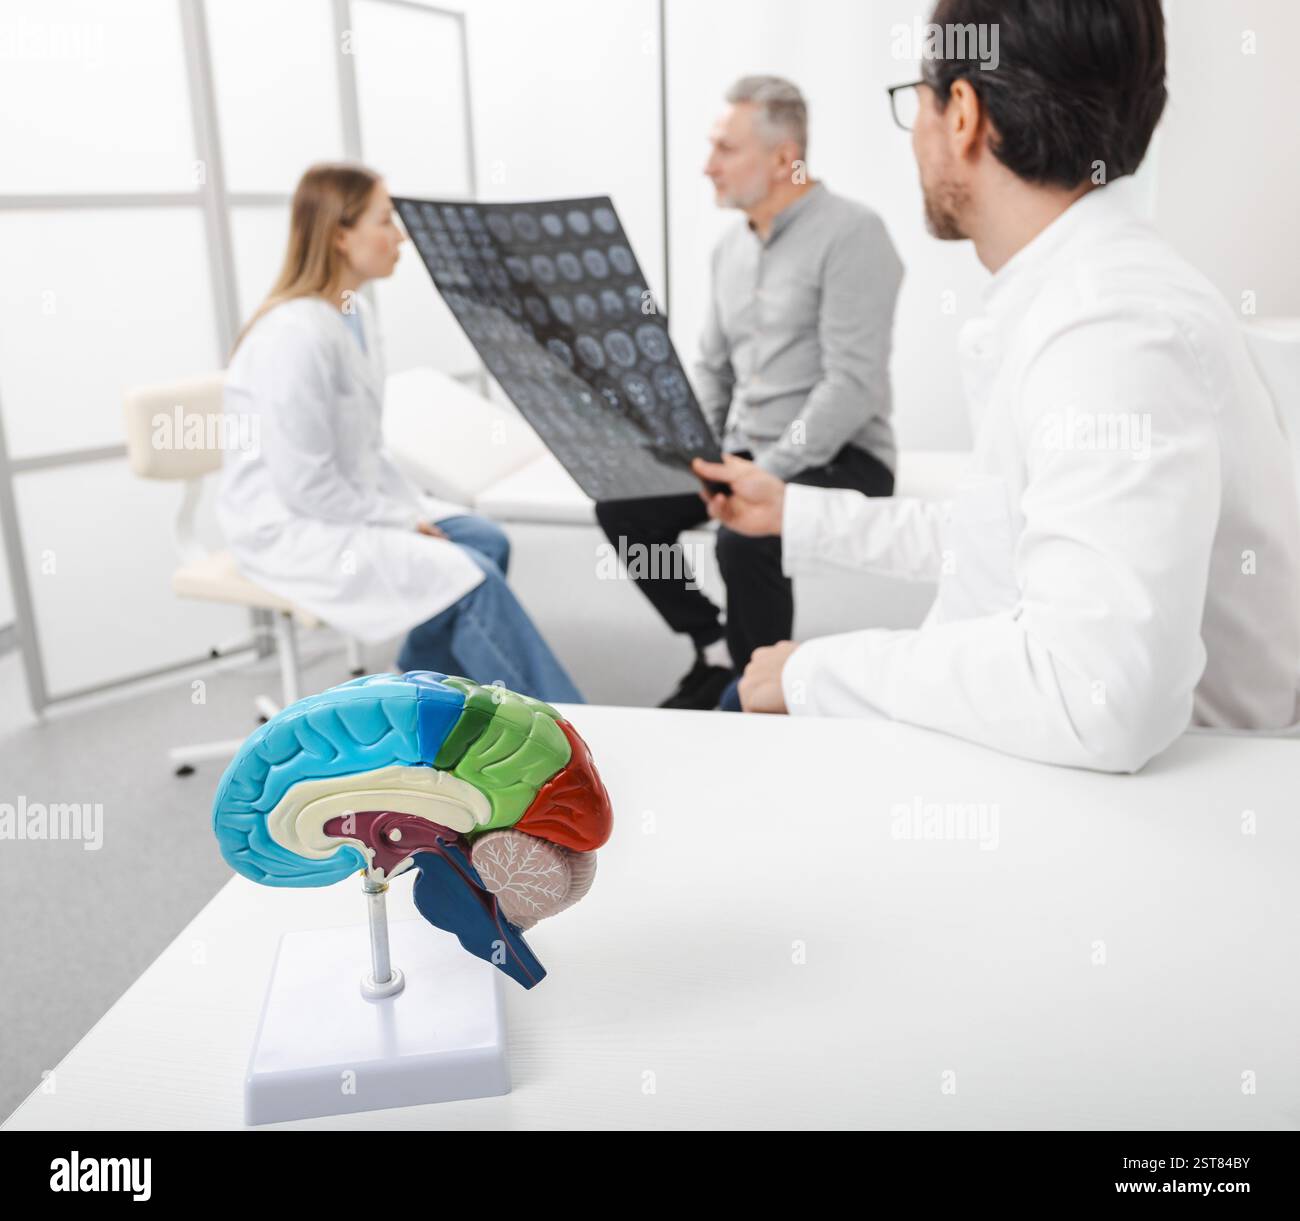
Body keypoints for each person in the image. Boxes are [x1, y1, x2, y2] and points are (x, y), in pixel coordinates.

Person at [693, 0, 1300, 773]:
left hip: (1131, 804)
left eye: (916, 100)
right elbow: (1001, 538)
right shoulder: (1083, 295)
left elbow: (1095, 697)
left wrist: (820, 670)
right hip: (1068, 765)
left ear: (962, 116)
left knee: (736, 726)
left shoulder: (1106, 330)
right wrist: (795, 512)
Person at [218, 163, 582, 704]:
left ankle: (411, 692)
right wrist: (404, 522)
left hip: (350, 502)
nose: (401, 235)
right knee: (470, 578)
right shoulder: (292, 336)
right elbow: (305, 485)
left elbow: (360, 451)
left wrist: (409, 512)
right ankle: (572, 734)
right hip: (292, 525)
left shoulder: (352, 313)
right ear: (341, 234)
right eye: (386, 220)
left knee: (485, 539)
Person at [596, 75, 903, 710]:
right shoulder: (729, 249)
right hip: (747, 451)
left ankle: (755, 700)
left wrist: (767, 472)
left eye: (725, 149)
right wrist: (699, 453)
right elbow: (712, 368)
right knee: (624, 505)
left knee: (747, 536)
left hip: (843, 456)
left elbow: (851, 384)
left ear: (785, 155)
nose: (708, 167)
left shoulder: (854, 234)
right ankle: (714, 647)